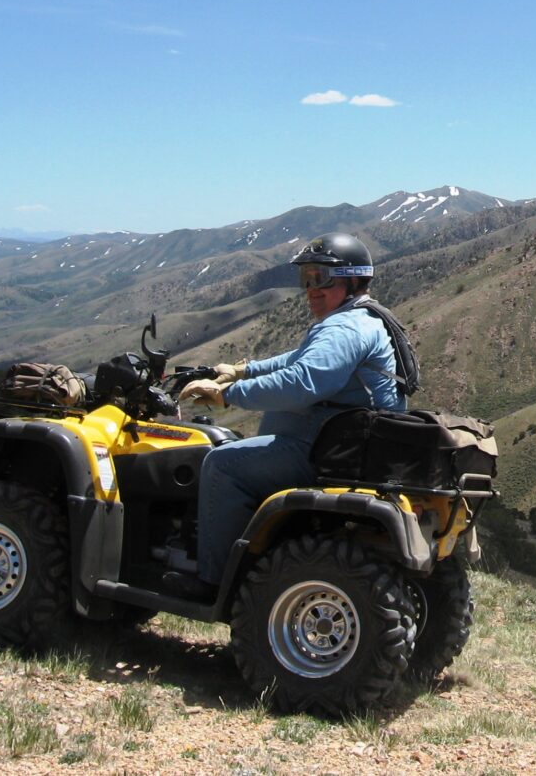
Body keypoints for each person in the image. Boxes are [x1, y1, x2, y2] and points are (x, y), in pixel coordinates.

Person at [163, 232, 408, 601]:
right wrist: (243, 370)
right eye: (307, 278)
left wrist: (228, 395)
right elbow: (300, 358)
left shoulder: (344, 327)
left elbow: (302, 380)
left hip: (325, 451)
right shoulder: (364, 319)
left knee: (220, 464)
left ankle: (213, 582)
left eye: (322, 278)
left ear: (354, 280)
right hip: (352, 446)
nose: (311, 288)